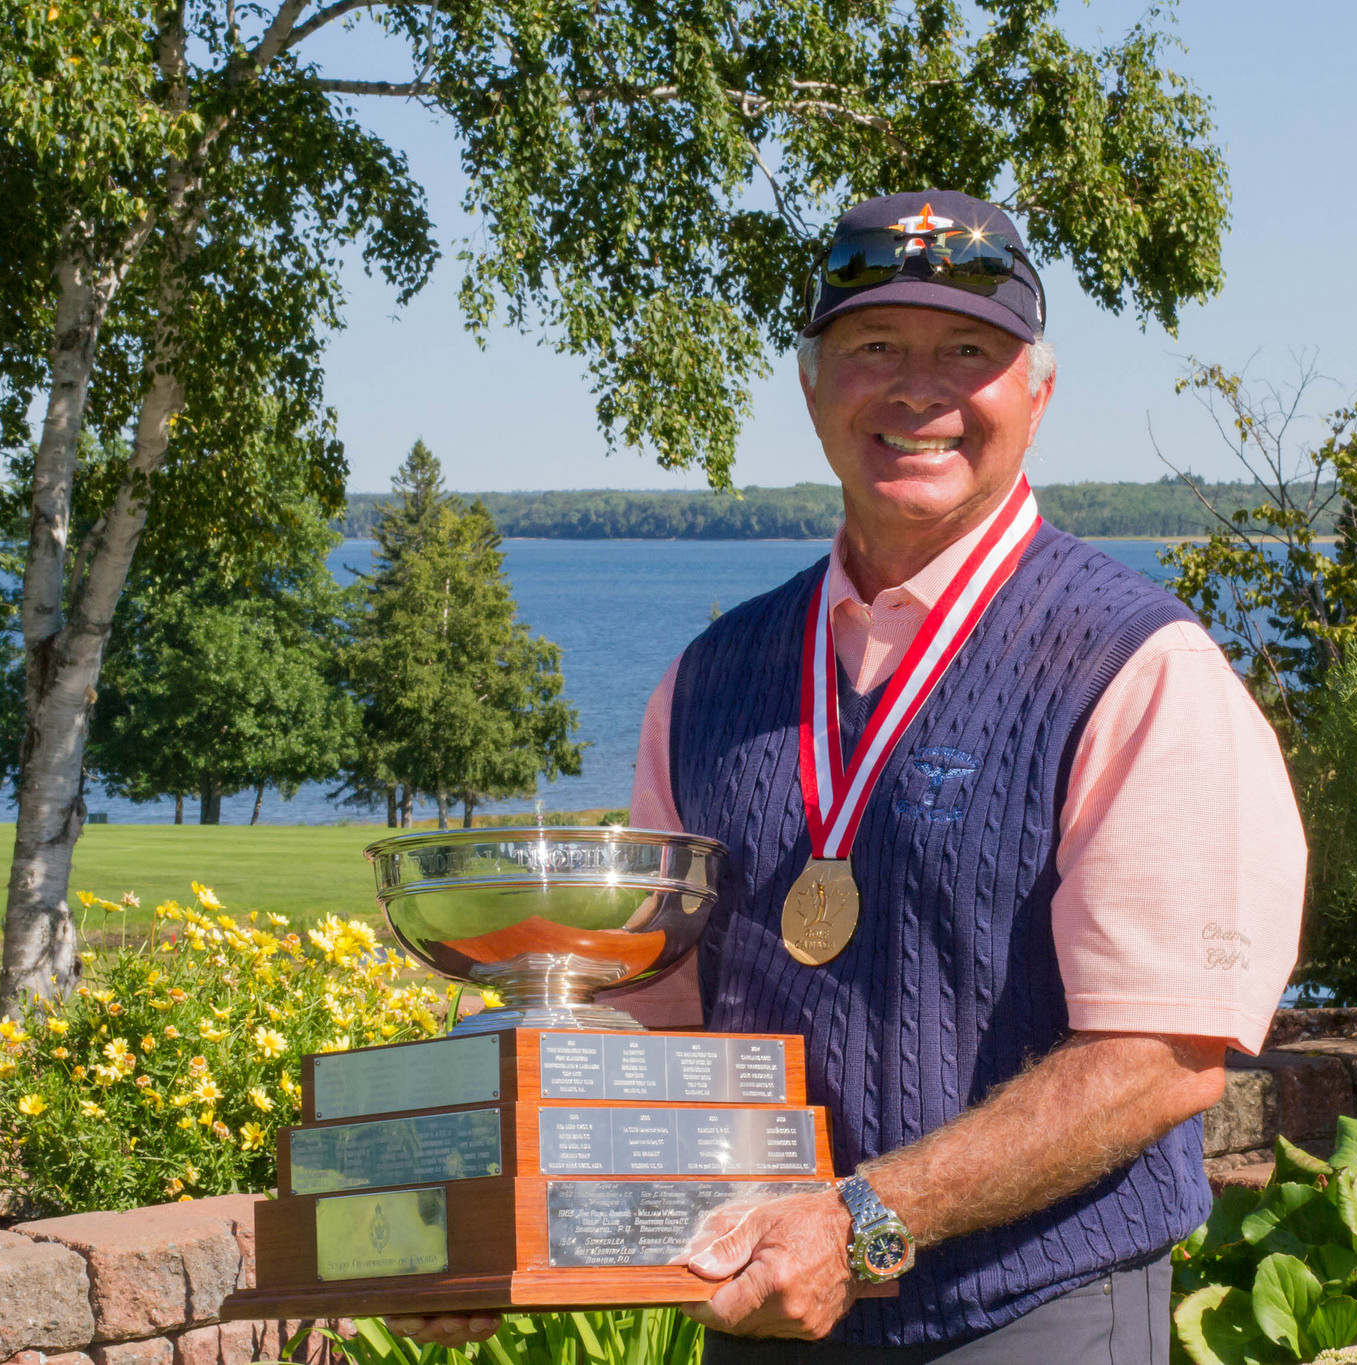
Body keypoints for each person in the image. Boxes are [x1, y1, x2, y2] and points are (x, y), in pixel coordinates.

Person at [391, 189, 1305, 1363]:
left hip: (1028, 1319)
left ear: (1035, 392)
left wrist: (862, 1219)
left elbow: (1157, 1063)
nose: (918, 389)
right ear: (814, 386)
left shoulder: (1137, 667)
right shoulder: (710, 677)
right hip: (761, 1322)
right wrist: (488, 1220)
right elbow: (649, 1021)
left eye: (967, 352)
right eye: (874, 346)